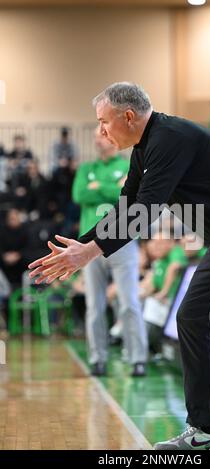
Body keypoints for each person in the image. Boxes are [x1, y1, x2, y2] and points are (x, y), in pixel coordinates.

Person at [29, 82, 210, 451]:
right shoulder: (144, 150)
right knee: (190, 316)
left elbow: (145, 210)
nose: (102, 131)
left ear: (128, 116)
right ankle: (205, 427)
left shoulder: (171, 137)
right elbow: (127, 206)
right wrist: (85, 244)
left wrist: (90, 251)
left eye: (104, 122)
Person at [72, 131, 148, 376]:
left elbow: (124, 196)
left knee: (129, 303)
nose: (97, 140)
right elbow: (79, 194)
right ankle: (97, 359)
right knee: (94, 306)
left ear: (113, 140)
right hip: (89, 246)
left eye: (102, 135)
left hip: (123, 242)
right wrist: (109, 188)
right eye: (95, 136)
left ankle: (137, 358)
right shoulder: (86, 169)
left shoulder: (128, 165)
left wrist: (99, 188)